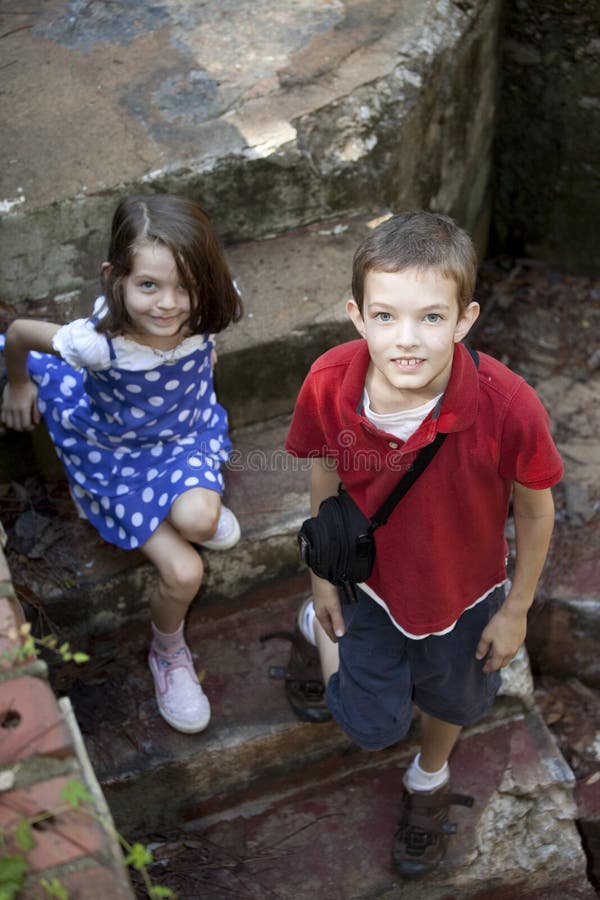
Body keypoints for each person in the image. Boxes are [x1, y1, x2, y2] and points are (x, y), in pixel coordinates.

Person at [283, 211, 563, 877]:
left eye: (431, 317)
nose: (406, 339)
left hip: (466, 596)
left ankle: (428, 777)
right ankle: (314, 624)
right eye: (385, 316)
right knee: (371, 726)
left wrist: (517, 607)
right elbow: (323, 469)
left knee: (457, 700)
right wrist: (322, 577)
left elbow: (535, 510)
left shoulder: (509, 404)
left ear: (464, 320)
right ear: (357, 315)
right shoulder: (328, 380)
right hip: (368, 587)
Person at [1, 194, 243, 735]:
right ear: (115, 277)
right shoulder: (96, 344)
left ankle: (189, 509)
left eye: (185, 285)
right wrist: (18, 383)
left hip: (184, 435)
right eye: (149, 285)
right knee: (186, 571)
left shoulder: (210, 306)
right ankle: (168, 652)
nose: (169, 305)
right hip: (118, 456)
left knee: (200, 520)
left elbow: (205, 336)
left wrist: (204, 353)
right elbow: (19, 335)